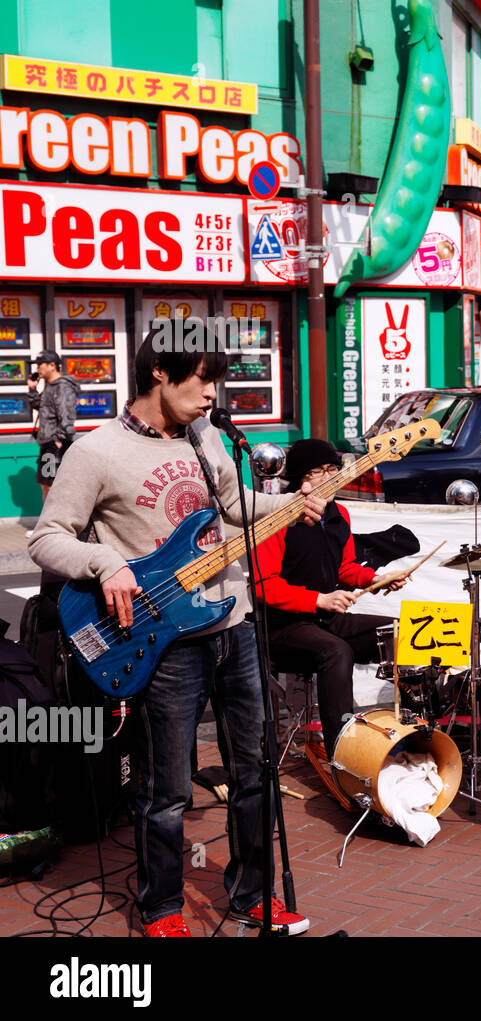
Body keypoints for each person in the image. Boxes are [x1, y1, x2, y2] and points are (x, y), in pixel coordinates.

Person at [28, 332, 326, 937]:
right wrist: (104, 564)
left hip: (232, 622)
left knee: (255, 770)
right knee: (165, 788)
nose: (213, 394)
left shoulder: (206, 436)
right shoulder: (97, 452)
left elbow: (232, 509)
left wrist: (293, 501)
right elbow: (46, 536)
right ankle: (162, 906)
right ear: (159, 373)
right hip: (163, 639)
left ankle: (253, 895)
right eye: (203, 380)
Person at [253, 438, 411, 780]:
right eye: (318, 471)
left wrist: (377, 578)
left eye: (332, 469)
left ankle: (413, 734)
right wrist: (317, 600)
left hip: (325, 618)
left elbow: (345, 569)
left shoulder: (340, 513)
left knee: (403, 631)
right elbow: (263, 584)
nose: (329, 477)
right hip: (282, 626)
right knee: (335, 653)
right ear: (300, 479)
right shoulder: (277, 518)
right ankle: (343, 754)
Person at [27, 350, 81, 502]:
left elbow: (67, 416)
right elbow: (42, 407)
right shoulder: (51, 386)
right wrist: (32, 390)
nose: (37, 369)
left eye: (40, 365)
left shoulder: (63, 387)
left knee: (52, 486)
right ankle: (48, 523)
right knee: (46, 484)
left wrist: (57, 441)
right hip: (48, 444)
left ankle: (55, 524)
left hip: (55, 445)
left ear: (52, 365)